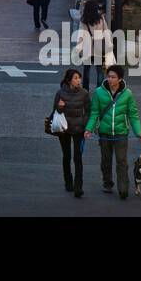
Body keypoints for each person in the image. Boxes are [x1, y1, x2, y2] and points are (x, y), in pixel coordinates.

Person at [85, 65, 141, 199]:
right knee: (106, 160)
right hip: (104, 133)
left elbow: (133, 115)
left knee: (121, 161)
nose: (110, 79)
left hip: (121, 133)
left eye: (113, 77)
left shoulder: (128, 94)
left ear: (120, 79)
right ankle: (107, 183)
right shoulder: (99, 92)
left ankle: (123, 189)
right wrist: (89, 129)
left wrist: (139, 132)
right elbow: (94, 113)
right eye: (109, 76)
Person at [52, 68, 90, 197]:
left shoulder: (84, 93)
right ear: (69, 80)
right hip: (64, 130)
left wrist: (84, 123)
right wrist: (60, 106)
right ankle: (68, 182)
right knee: (67, 156)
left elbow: (89, 110)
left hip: (79, 129)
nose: (78, 80)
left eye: (79, 78)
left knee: (77, 158)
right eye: (75, 78)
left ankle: (78, 187)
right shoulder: (60, 93)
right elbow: (55, 111)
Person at [75, 0, 114, 89]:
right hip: (99, 48)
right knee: (99, 70)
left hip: (87, 48)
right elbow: (106, 32)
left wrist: (78, 49)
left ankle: (85, 89)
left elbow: (81, 35)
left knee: (86, 70)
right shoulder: (100, 19)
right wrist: (109, 45)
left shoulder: (84, 20)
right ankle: (99, 90)